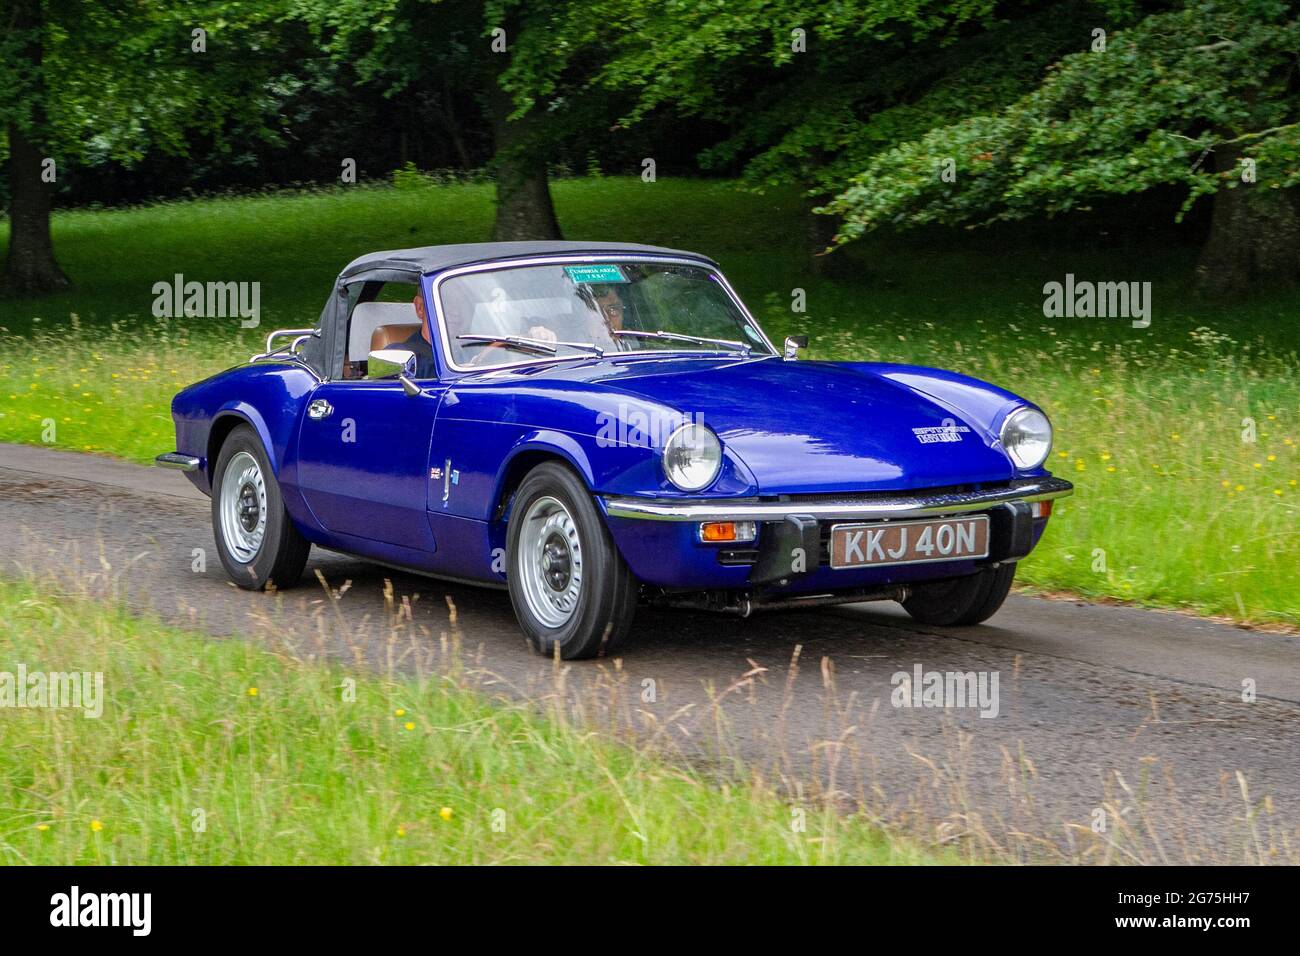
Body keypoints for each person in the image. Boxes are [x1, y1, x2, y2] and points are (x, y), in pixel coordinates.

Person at [396, 291, 437, 377]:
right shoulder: (403, 358)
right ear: (420, 307)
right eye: (444, 301)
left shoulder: (470, 350)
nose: (456, 312)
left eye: (463, 303)